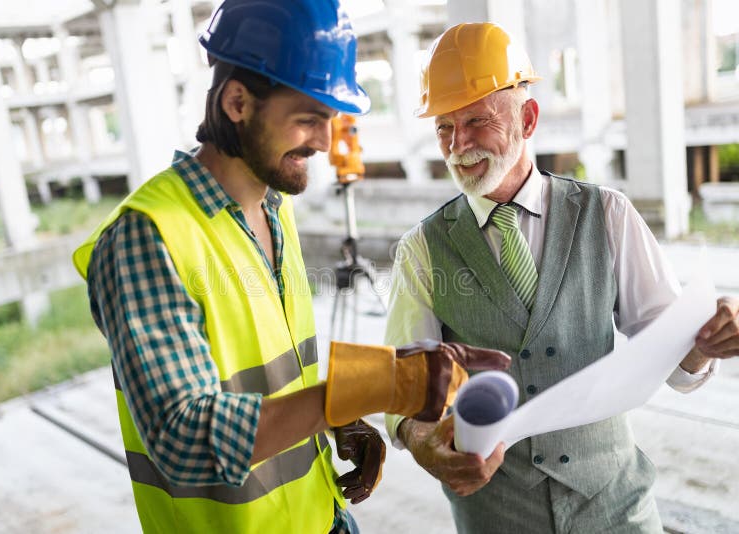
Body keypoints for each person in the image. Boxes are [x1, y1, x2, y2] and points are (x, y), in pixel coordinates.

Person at [72, 3, 510, 533]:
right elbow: (184, 439)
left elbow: (273, 379)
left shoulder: (275, 210)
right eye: (307, 118)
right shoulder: (147, 237)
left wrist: (337, 421)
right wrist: (381, 383)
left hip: (321, 515)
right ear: (237, 102)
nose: (325, 143)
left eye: (328, 119)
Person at [384, 22, 739, 533]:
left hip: (616, 510)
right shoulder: (421, 249)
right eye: (444, 127)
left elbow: (674, 356)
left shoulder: (608, 215)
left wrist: (709, 339)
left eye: (476, 121)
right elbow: (405, 388)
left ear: (527, 118)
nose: (458, 144)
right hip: (499, 517)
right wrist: (422, 443)